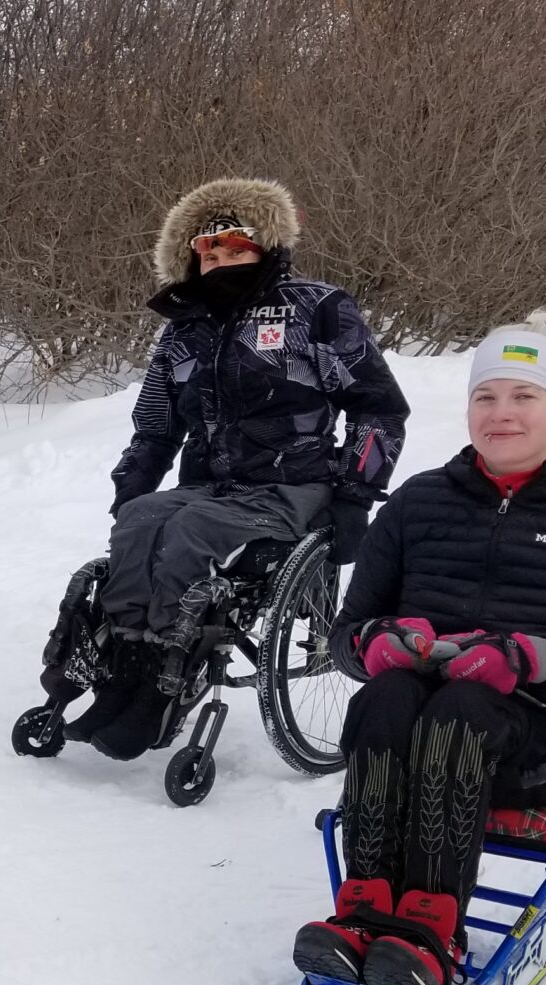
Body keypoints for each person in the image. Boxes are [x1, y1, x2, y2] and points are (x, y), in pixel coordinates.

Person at [291, 312, 546, 985]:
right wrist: (375, 644)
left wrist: (539, 660)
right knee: (386, 697)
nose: (501, 414)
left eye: (524, 396)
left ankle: (433, 936)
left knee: (460, 712)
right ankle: (363, 912)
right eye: (485, 396)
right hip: (418, 727)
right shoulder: (417, 504)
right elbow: (348, 635)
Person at [75, 178, 410, 761]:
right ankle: (127, 669)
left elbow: (377, 407)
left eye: (235, 250)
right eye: (209, 253)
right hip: (210, 483)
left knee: (189, 533)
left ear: (266, 247)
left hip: (294, 483)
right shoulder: (185, 327)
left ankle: (166, 685)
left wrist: (356, 496)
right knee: (138, 523)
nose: (221, 262)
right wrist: (133, 482)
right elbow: (157, 420)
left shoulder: (317, 309)